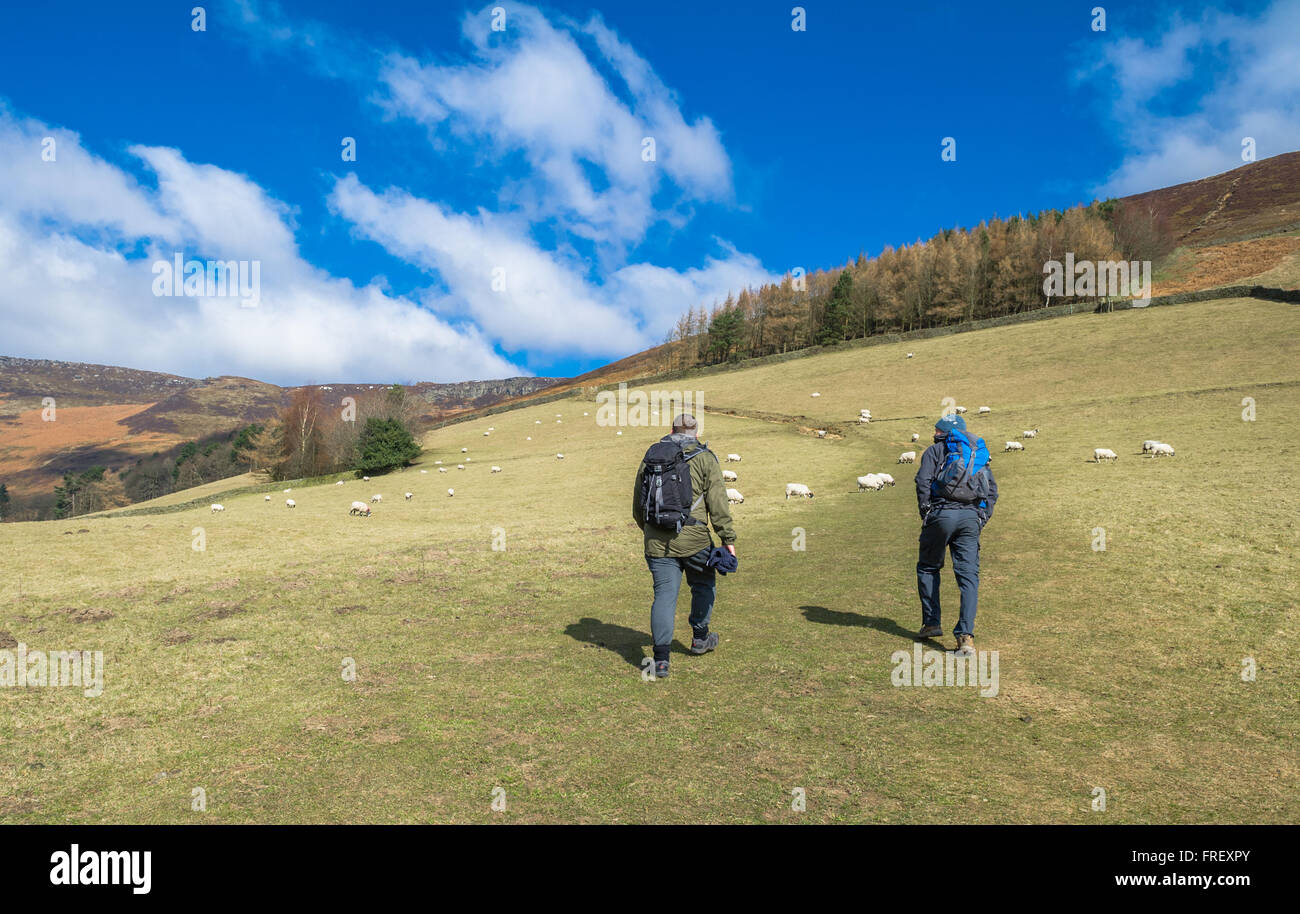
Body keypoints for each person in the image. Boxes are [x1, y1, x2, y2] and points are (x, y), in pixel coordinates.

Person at [632, 413, 736, 679]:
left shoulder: (652, 457)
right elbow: (718, 502)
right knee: (703, 585)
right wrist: (727, 539)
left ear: (671, 430)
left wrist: (653, 532)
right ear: (696, 433)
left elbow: (638, 506)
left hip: (657, 543)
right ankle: (700, 637)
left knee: (664, 596)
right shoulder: (705, 458)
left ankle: (661, 661)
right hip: (696, 539)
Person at [913, 413, 998, 655]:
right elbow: (991, 490)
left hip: (941, 514)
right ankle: (965, 636)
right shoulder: (976, 453)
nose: (935, 433)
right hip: (970, 518)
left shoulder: (934, 451)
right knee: (969, 576)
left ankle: (931, 623)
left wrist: (926, 512)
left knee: (929, 567)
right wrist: (981, 518)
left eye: (937, 430)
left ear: (943, 432)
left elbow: (922, 481)